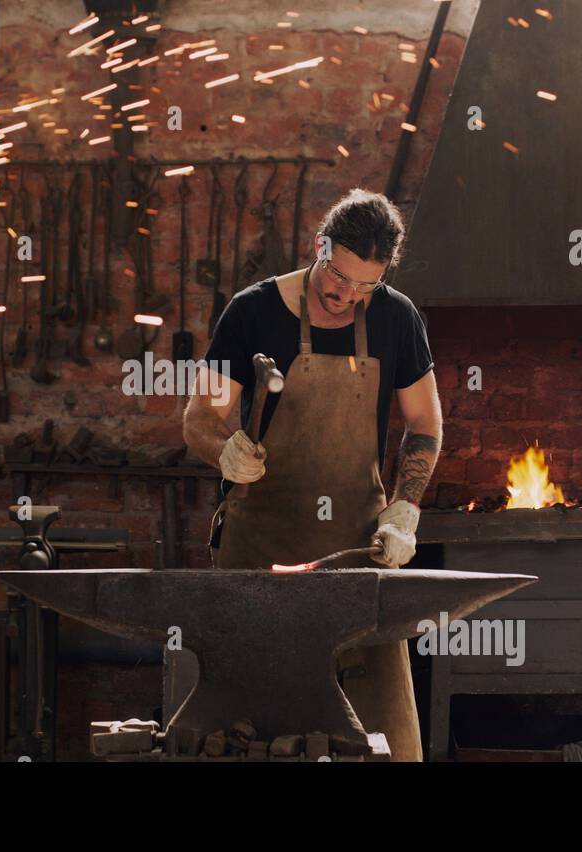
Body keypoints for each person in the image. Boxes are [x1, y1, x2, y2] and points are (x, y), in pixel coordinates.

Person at [181, 187, 442, 760]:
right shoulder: (252, 312)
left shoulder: (397, 318)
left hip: (353, 559)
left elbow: (424, 424)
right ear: (319, 246)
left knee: (382, 741)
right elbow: (202, 415)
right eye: (338, 279)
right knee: (246, 735)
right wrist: (224, 450)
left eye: (364, 287)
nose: (347, 297)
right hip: (259, 555)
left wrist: (406, 507)